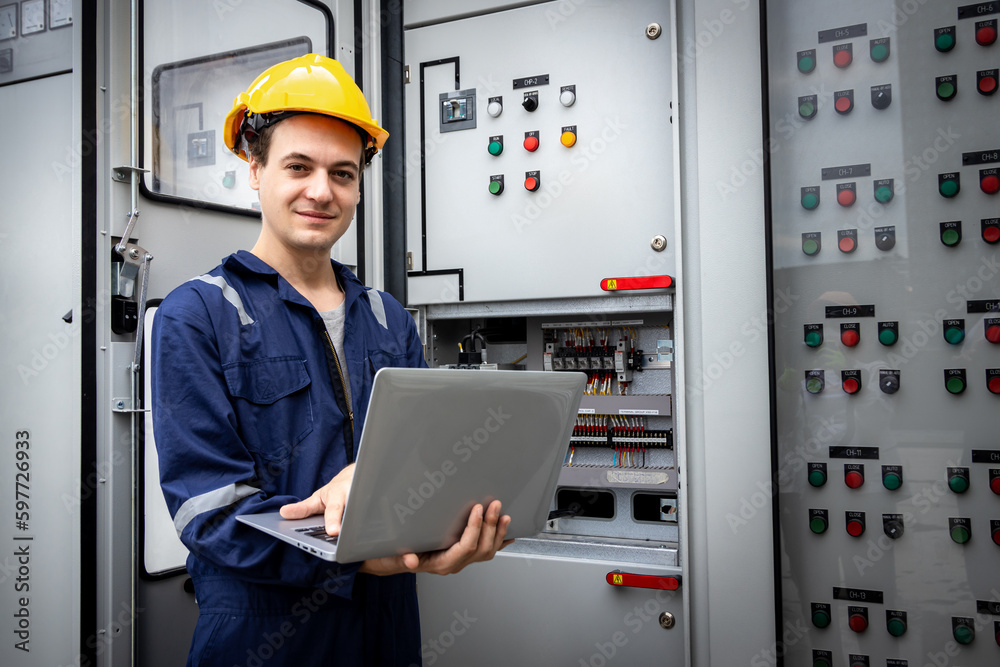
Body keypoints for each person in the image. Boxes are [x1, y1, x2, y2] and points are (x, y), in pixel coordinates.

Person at [151, 53, 511, 666]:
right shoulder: (197, 316)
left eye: (342, 173)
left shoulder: (389, 318)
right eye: (298, 166)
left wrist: (448, 528)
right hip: (263, 638)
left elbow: (427, 469)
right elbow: (205, 512)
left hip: (389, 629)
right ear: (254, 168)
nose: (322, 191)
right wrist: (349, 544)